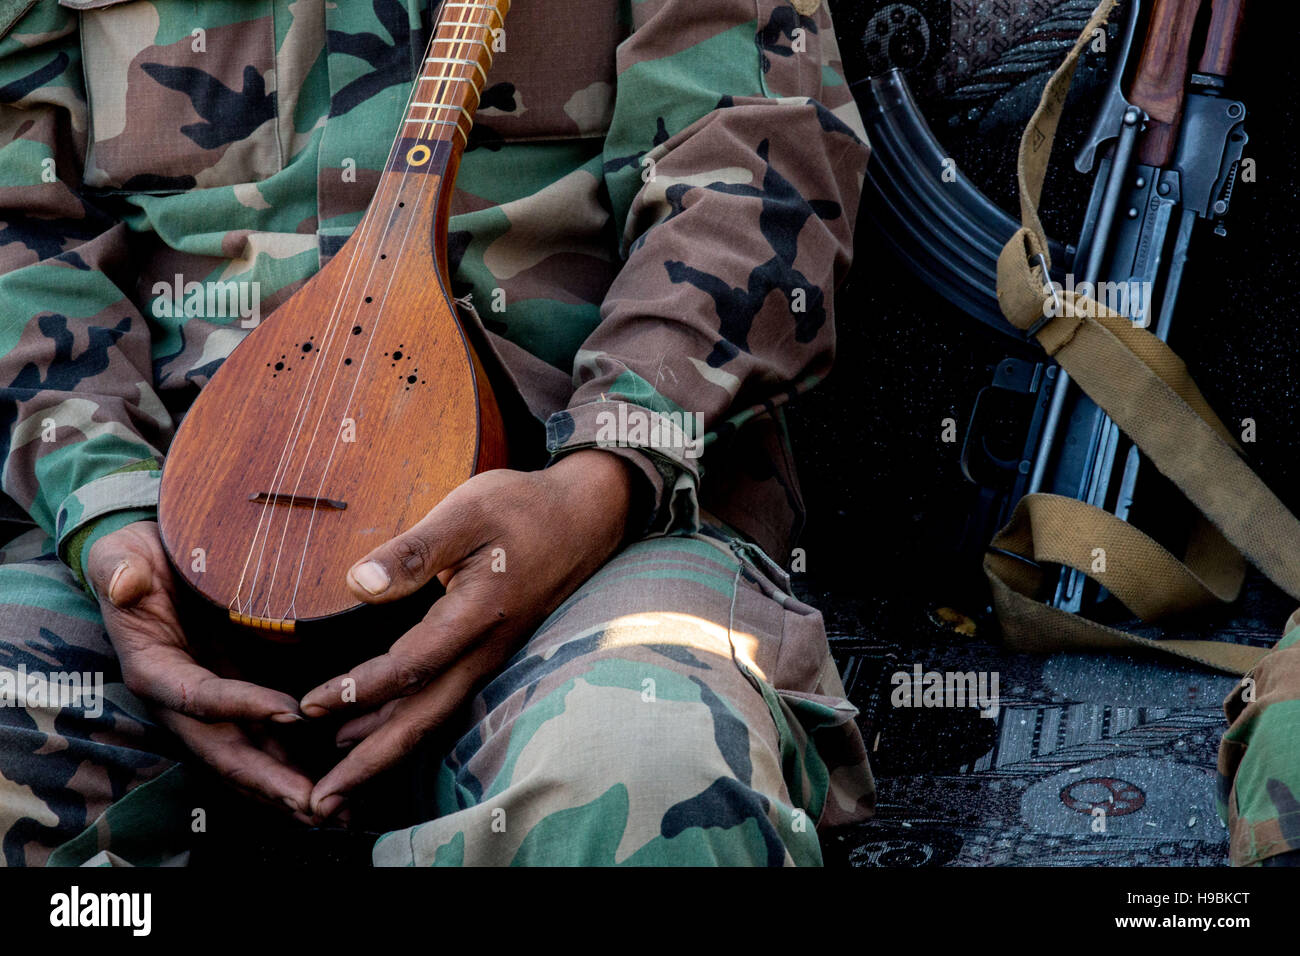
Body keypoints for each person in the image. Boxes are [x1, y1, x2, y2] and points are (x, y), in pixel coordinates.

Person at [0, 0, 873, 866]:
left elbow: (760, 163)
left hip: (590, 537)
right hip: (158, 544)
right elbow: (20, 232)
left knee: (648, 767)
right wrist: (107, 522)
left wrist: (598, 480)